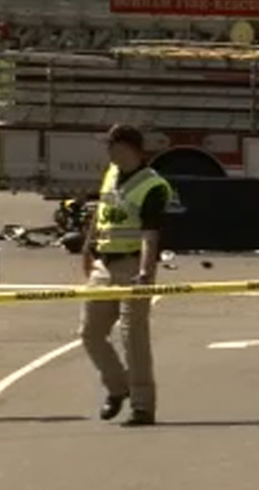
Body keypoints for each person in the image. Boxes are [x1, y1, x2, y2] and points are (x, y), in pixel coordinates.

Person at [80, 123, 171, 426]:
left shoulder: (152, 185)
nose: (107, 151)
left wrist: (145, 272)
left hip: (132, 264)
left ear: (127, 148)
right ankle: (117, 387)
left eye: (111, 145)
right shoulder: (111, 173)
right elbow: (100, 211)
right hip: (104, 263)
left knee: (133, 336)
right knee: (90, 332)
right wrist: (87, 247)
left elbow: (150, 234)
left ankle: (142, 405)